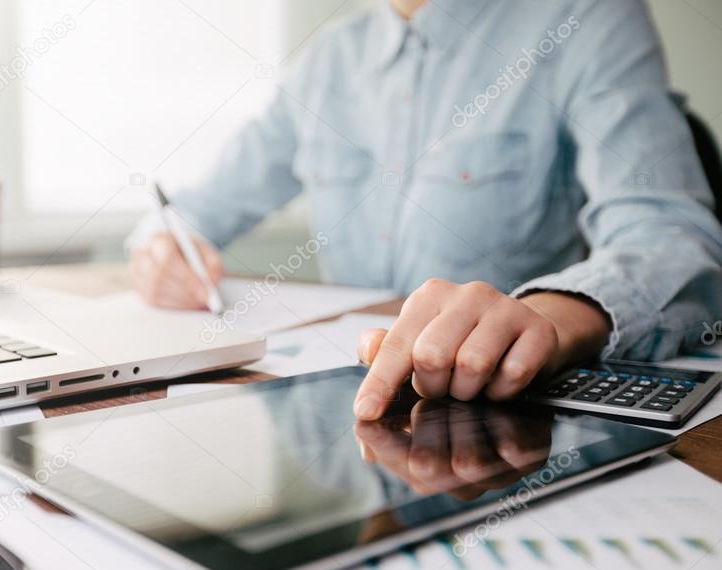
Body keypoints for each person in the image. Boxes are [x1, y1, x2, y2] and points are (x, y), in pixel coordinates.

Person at [127, 0, 722, 420]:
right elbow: (188, 213)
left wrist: (550, 315)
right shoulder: (327, 61)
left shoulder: (586, 17)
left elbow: (670, 235)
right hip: (350, 414)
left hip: (494, 420)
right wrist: (160, 245)